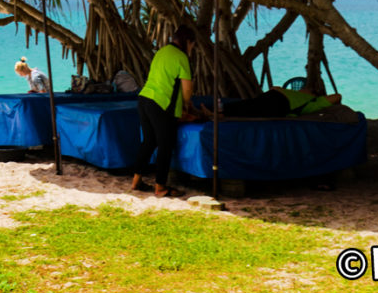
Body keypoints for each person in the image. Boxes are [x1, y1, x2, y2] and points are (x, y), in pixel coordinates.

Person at [130, 25, 203, 198]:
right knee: (165, 145)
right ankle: (160, 187)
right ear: (187, 42)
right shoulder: (182, 57)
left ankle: (136, 181)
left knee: (149, 141)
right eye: (192, 45)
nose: (192, 49)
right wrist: (188, 107)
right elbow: (187, 91)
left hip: (144, 99)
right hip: (161, 105)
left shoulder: (161, 52)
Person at [221, 87, 342, 118]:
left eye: (309, 89)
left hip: (280, 102)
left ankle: (220, 112)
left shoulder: (314, 102)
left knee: (251, 107)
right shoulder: (297, 94)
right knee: (249, 105)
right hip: (275, 98)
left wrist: (319, 98)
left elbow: (337, 96)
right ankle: (219, 111)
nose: (305, 88)